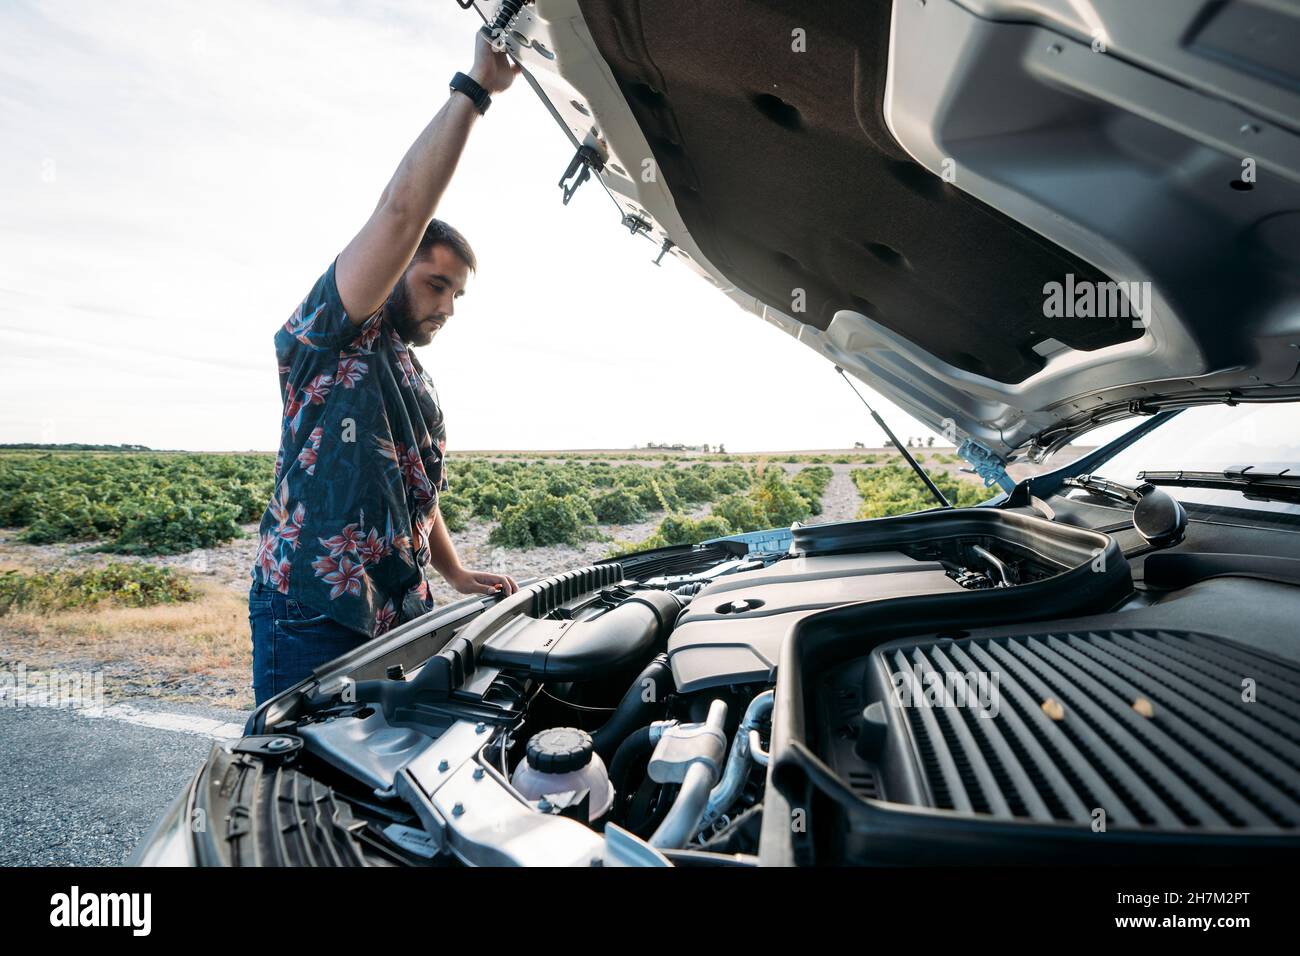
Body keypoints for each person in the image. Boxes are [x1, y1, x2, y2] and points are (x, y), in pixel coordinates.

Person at [249, 29, 521, 706]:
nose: (448, 307)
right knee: (298, 785)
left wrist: (453, 571)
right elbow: (401, 213)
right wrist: (477, 88)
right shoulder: (332, 334)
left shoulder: (400, 365)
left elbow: (409, 489)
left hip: (394, 614)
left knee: (370, 780)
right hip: (315, 612)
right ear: (395, 268)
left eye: (458, 294)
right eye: (436, 285)